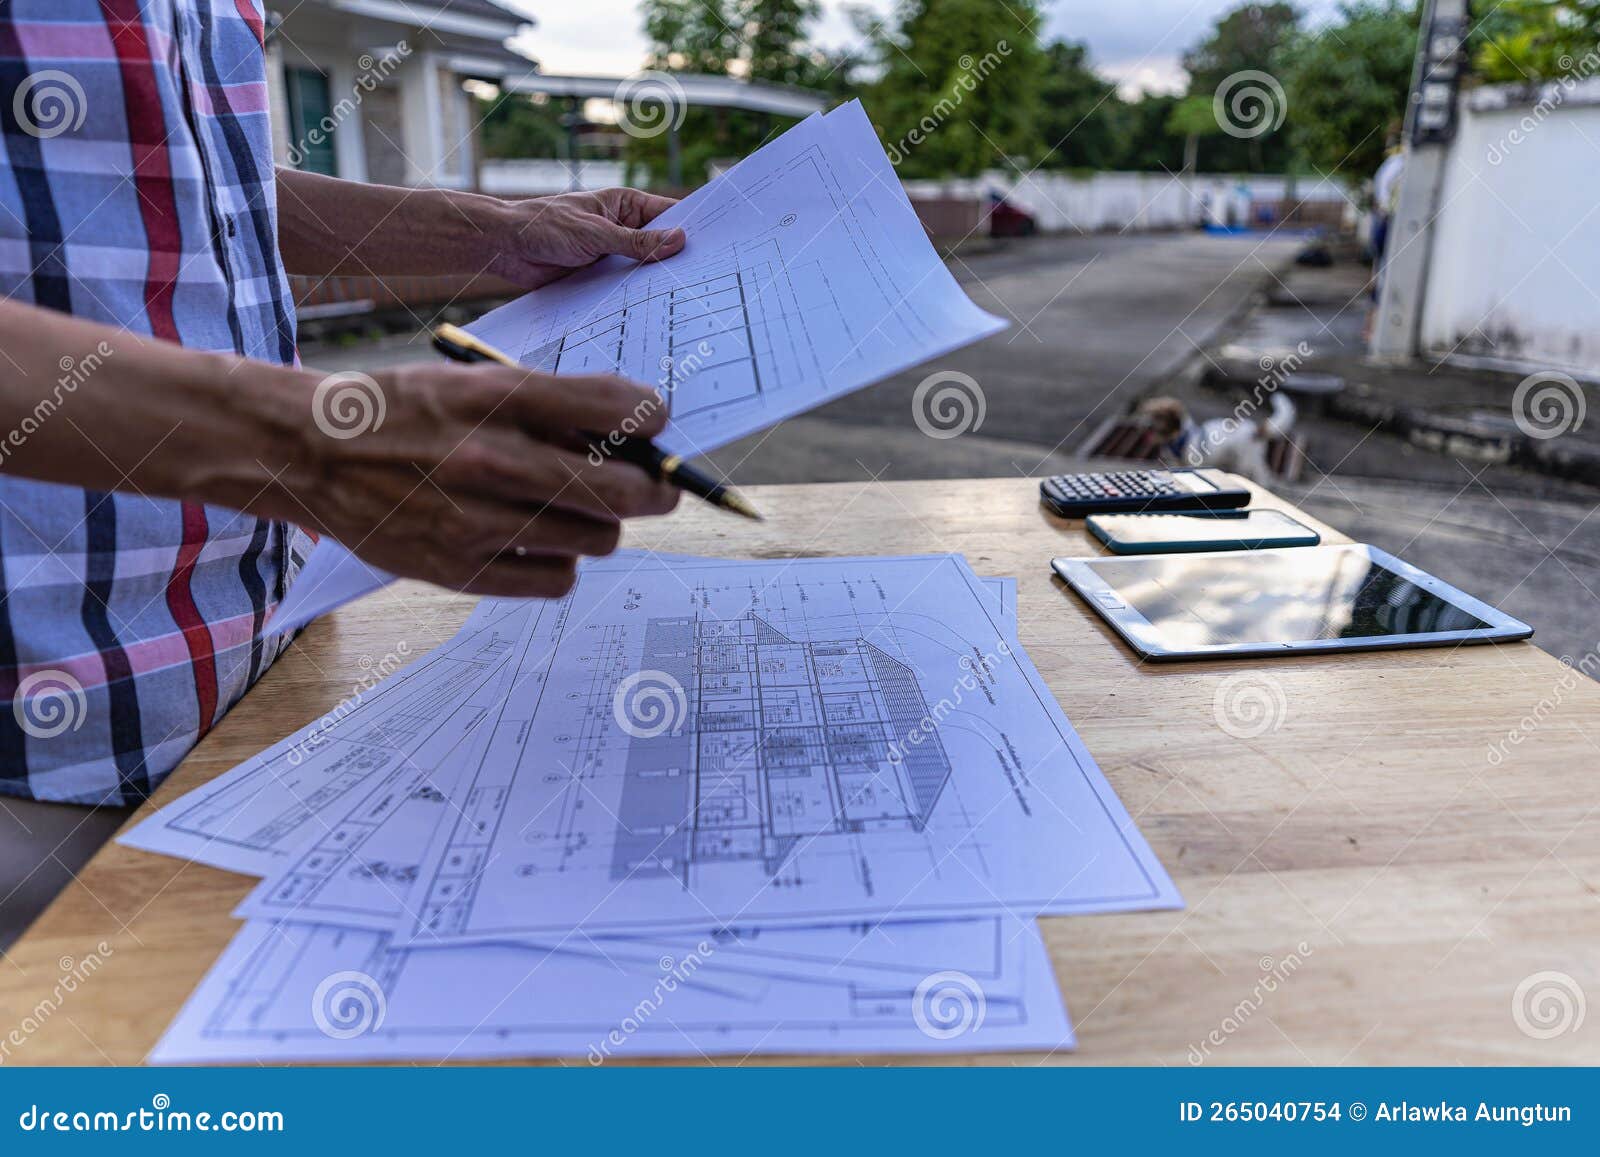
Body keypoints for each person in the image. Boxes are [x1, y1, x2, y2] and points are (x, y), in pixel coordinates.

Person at [0, 1, 691, 940]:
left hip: (254, 679)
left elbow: (181, 178)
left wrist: (495, 234)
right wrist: (297, 441)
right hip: (45, 757)